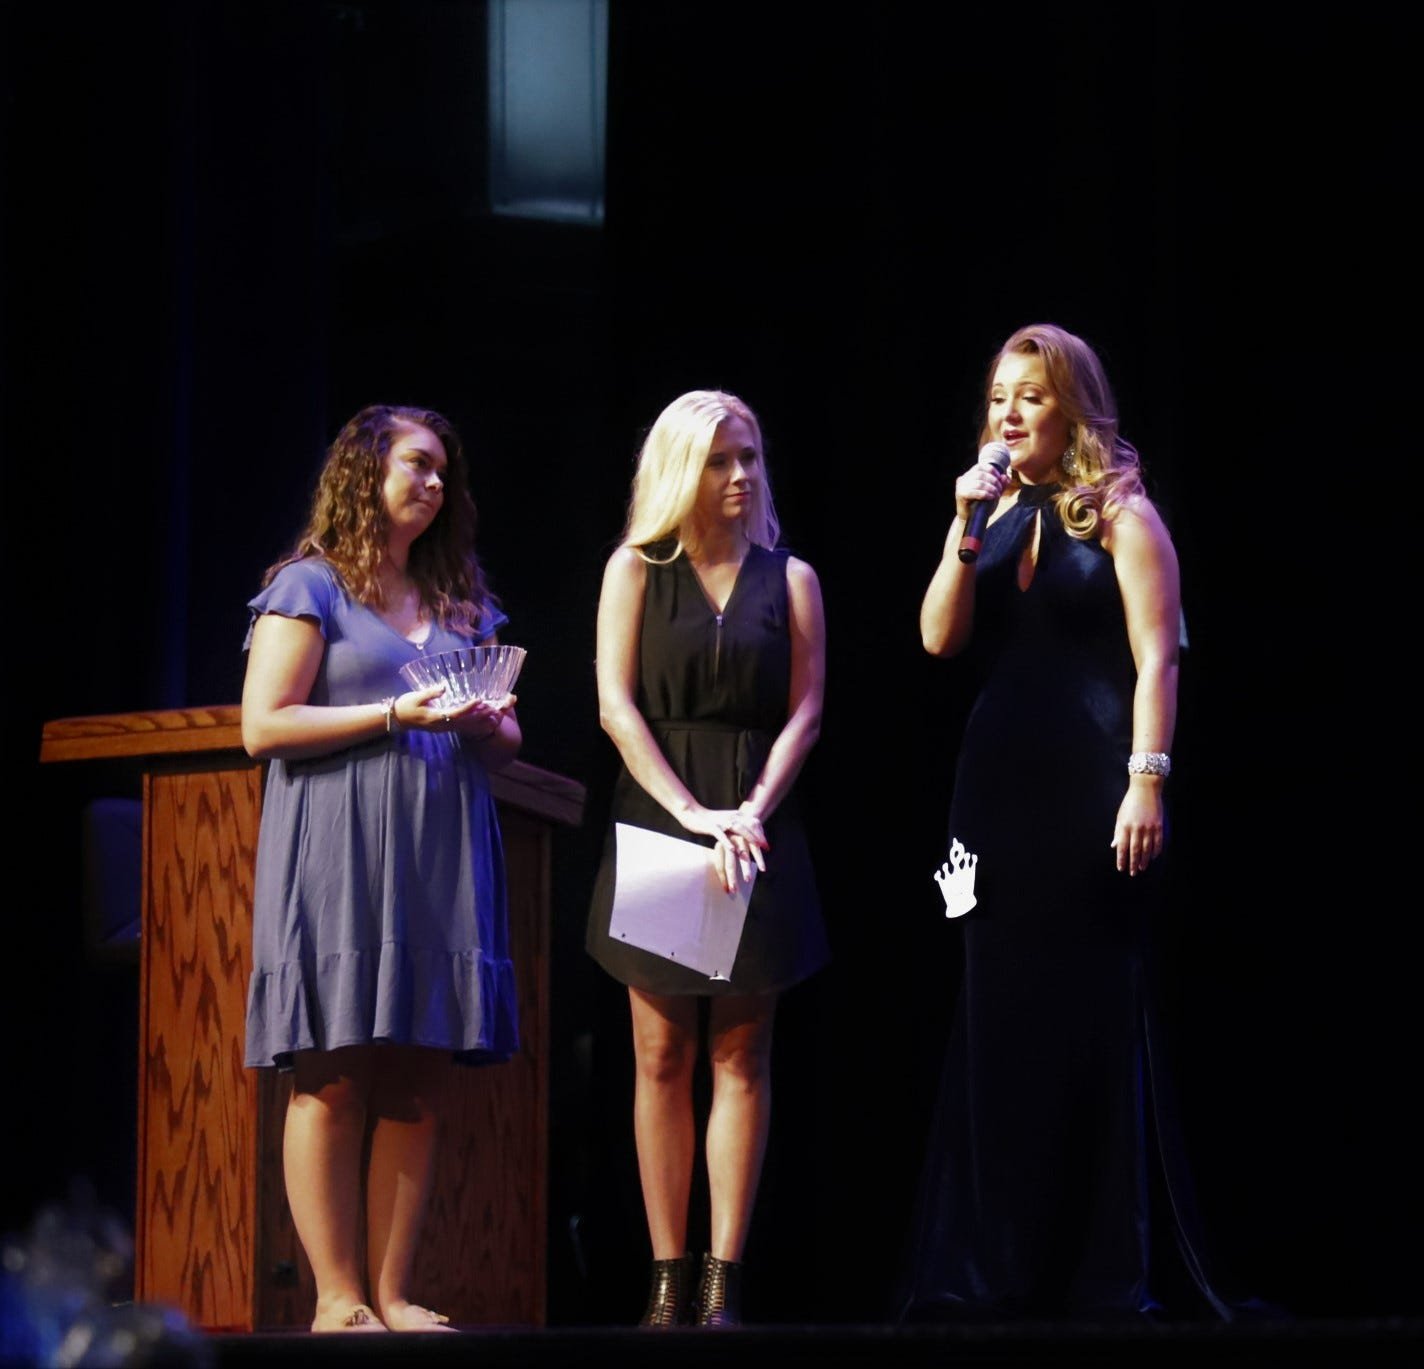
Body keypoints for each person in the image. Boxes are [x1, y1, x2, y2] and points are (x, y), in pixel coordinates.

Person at [899, 323, 1236, 1322]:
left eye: (1031, 396)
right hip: (990, 798)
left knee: (1083, 1013)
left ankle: (1097, 1266)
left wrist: (1146, 780)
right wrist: (962, 525)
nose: (1008, 413)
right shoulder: (990, 512)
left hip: (1090, 792)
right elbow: (937, 637)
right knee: (994, 1018)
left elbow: (1157, 657)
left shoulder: (1122, 514)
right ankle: (995, 1262)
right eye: (997, 397)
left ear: (1071, 407)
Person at [240, 403, 521, 1333]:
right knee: (333, 1070)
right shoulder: (310, 586)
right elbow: (264, 724)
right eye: (416, 463)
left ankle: (393, 1293)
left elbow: (508, 741)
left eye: (443, 470)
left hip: (439, 849)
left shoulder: (458, 601)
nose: (434, 483)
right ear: (366, 472)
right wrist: (394, 715)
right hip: (341, 847)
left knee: (416, 1075)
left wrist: (486, 722)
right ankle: (338, 1296)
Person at [584, 389, 830, 1328]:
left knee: (741, 1049)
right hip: (662, 814)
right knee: (659, 1051)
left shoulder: (791, 578)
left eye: (750, 457)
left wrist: (751, 809)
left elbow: (807, 709)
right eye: (722, 459)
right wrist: (693, 814)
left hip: (756, 825)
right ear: (683, 469)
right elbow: (615, 704)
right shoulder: (636, 569)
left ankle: (723, 1274)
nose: (740, 476)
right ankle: (665, 1272)